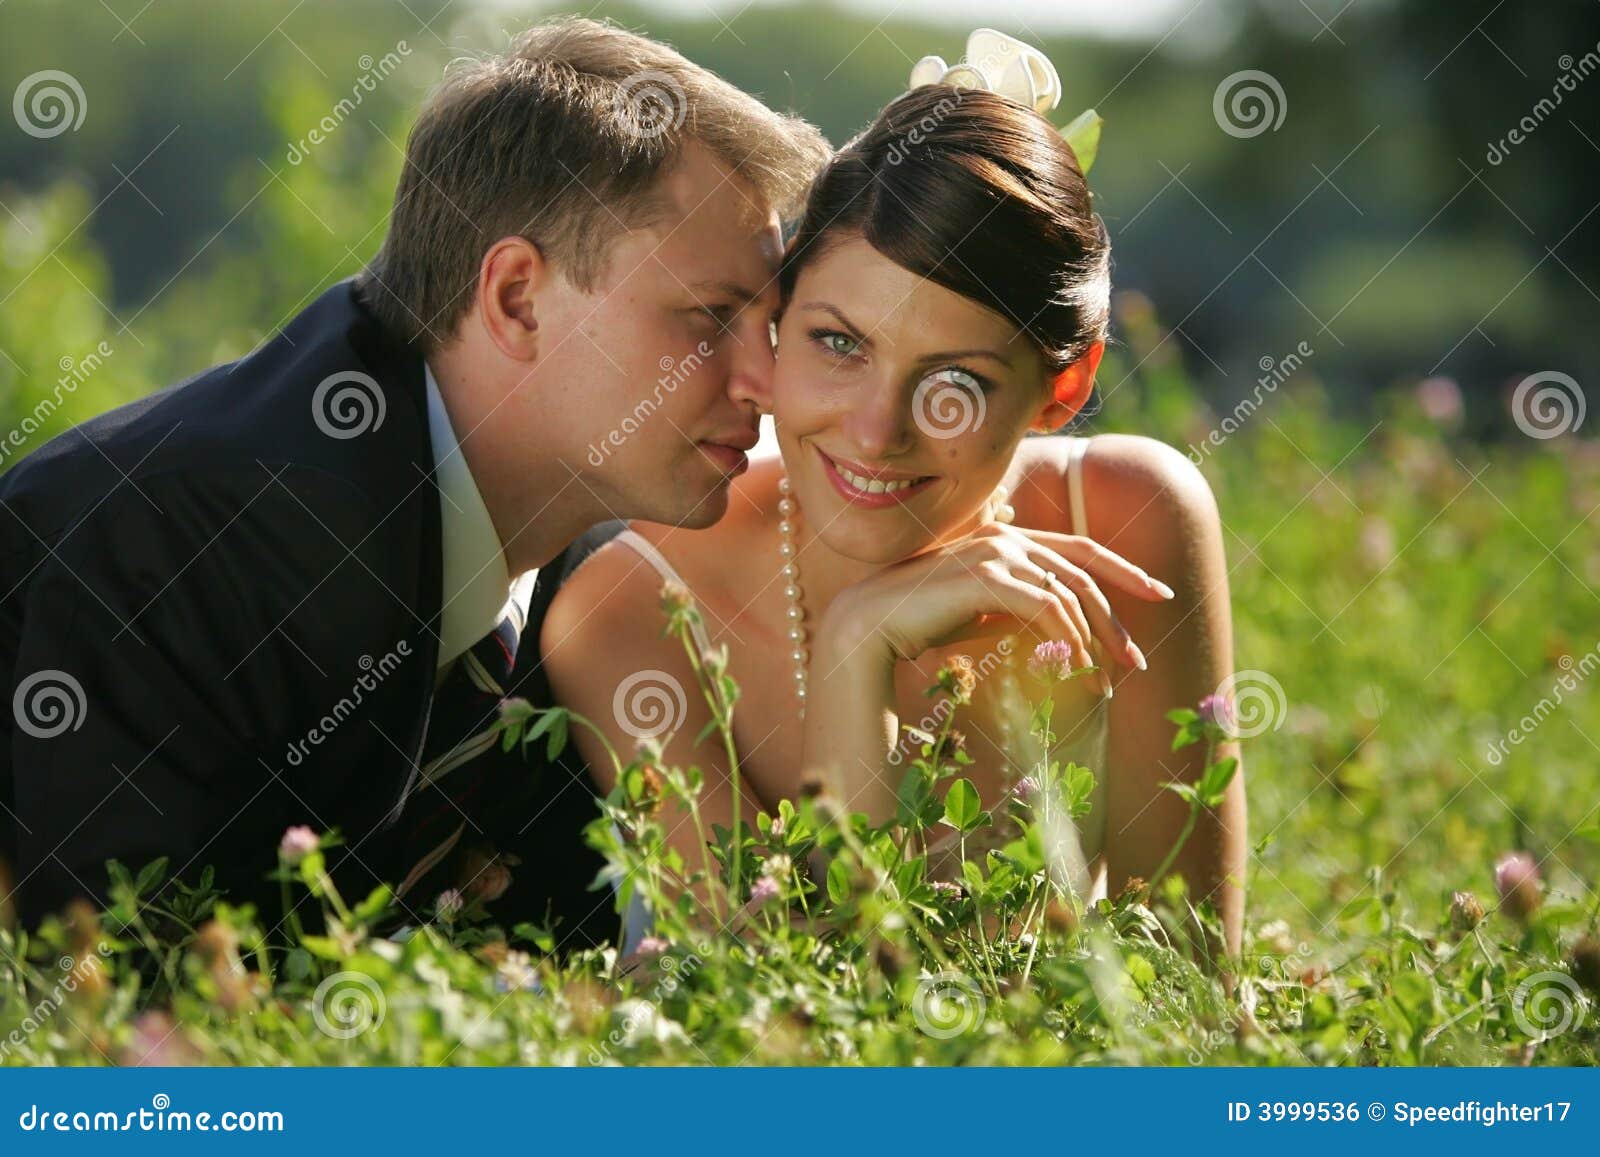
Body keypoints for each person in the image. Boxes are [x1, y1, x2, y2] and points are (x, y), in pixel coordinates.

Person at [0, 17, 830, 942]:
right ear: (517, 297)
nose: (768, 381)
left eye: (773, 322)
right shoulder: (186, 541)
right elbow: (142, 1031)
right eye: (713, 318)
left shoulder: (592, 562)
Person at [544, 33, 1247, 963]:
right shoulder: (631, 612)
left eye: (955, 381)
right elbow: (798, 1010)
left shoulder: (1128, 518)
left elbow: (1189, 979)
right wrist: (853, 649)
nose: (878, 432)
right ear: (777, 322)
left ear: (1062, 390)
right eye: (840, 343)